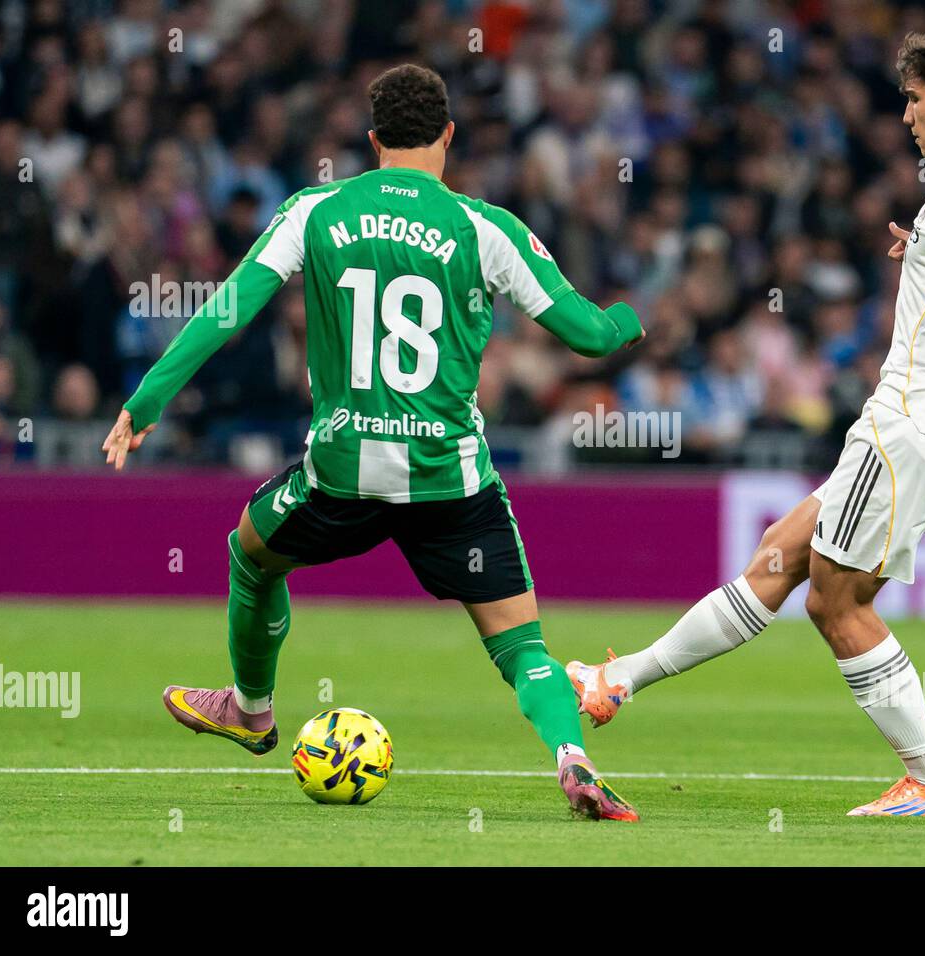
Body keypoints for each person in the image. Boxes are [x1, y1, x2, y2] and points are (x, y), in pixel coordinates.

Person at [102, 64, 644, 822]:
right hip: (453, 486)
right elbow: (587, 335)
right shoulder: (486, 228)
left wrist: (148, 398)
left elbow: (228, 309)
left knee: (251, 554)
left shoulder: (315, 211)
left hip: (342, 478)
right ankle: (572, 755)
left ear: (372, 139)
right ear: (449, 135)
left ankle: (251, 709)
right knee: (523, 648)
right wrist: (629, 318)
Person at [568, 30, 925, 818]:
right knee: (781, 553)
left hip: (907, 428)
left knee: (834, 606)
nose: (906, 114)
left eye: (915, 99)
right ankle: (615, 682)